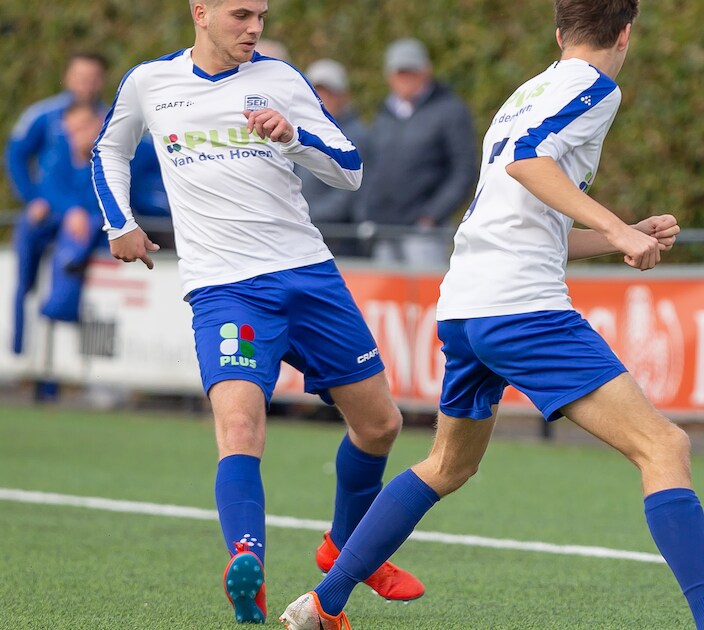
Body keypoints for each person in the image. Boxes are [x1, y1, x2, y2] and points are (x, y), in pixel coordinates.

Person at [281, 2, 704, 629]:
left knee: (447, 465)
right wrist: (616, 228)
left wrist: (621, 234)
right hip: (521, 308)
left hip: (467, 304)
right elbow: (527, 159)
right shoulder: (595, 87)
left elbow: (525, 219)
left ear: (559, 31)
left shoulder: (525, 93)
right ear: (625, 33)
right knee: (664, 445)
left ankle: (323, 604)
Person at [91, 0, 423, 623]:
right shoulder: (149, 82)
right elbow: (107, 151)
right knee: (240, 427)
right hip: (227, 290)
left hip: (308, 275)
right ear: (201, 12)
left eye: (262, 16)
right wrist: (120, 222)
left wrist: (292, 137)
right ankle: (247, 562)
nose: (255, 28)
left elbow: (350, 168)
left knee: (380, 425)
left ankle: (344, 546)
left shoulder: (281, 79)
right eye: (241, 15)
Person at [8, 52, 108, 355]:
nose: (85, 84)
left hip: (86, 218)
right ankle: (18, 352)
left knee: (75, 277)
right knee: (23, 282)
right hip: (47, 212)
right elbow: (15, 157)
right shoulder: (43, 115)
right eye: (80, 77)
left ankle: (62, 361)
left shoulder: (110, 119)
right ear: (67, 78)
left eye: (92, 78)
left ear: (101, 81)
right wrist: (32, 198)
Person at [356, 37, 476, 267]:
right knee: (385, 288)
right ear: (389, 76)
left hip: (424, 232)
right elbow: (369, 166)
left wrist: (432, 215)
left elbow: (464, 170)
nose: (405, 79)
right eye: (400, 73)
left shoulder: (450, 110)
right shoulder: (384, 114)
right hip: (383, 229)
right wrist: (366, 212)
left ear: (426, 71)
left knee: (425, 287)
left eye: (411, 71)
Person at [296, 58, 367, 256]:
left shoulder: (356, 135)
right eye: (316, 93)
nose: (322, 100)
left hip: (341, 236)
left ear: (343, 96)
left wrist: (304, 214)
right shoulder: (299, 130)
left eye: (329, 93)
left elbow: (350, 193)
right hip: (306, 230)